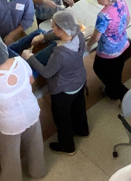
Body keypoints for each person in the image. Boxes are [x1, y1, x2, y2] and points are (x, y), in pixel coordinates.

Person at [0, 36, 46, 181]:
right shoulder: (20, 61)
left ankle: (10, 178)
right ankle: (38, 171)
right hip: (31, 111)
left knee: (10, 154)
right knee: (35, 144)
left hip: (9, 123)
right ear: (3, 49)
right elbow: (31, 80)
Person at [22, 10, 88, 155]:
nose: (52, 28)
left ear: (61, 29)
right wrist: (43, 37)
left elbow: (46, 72)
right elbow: (62, 33)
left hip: (64, 91)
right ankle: (83, 130)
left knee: (62, 119)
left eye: (53, 27)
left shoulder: (60, 54)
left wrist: (30, 57)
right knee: (79, 107)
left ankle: (67, 147)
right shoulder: (79, 34)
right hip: (80, 80)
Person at [88, 0, 130, 100]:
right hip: (123, 44)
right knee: (116, 71)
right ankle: (112, 91)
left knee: (99, 68)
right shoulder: (122, 2)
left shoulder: (103, 15)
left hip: (108, 51)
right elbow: (128, 18)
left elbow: (96, 36)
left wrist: (88, 45)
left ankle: (123, 94)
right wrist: (120, 31)